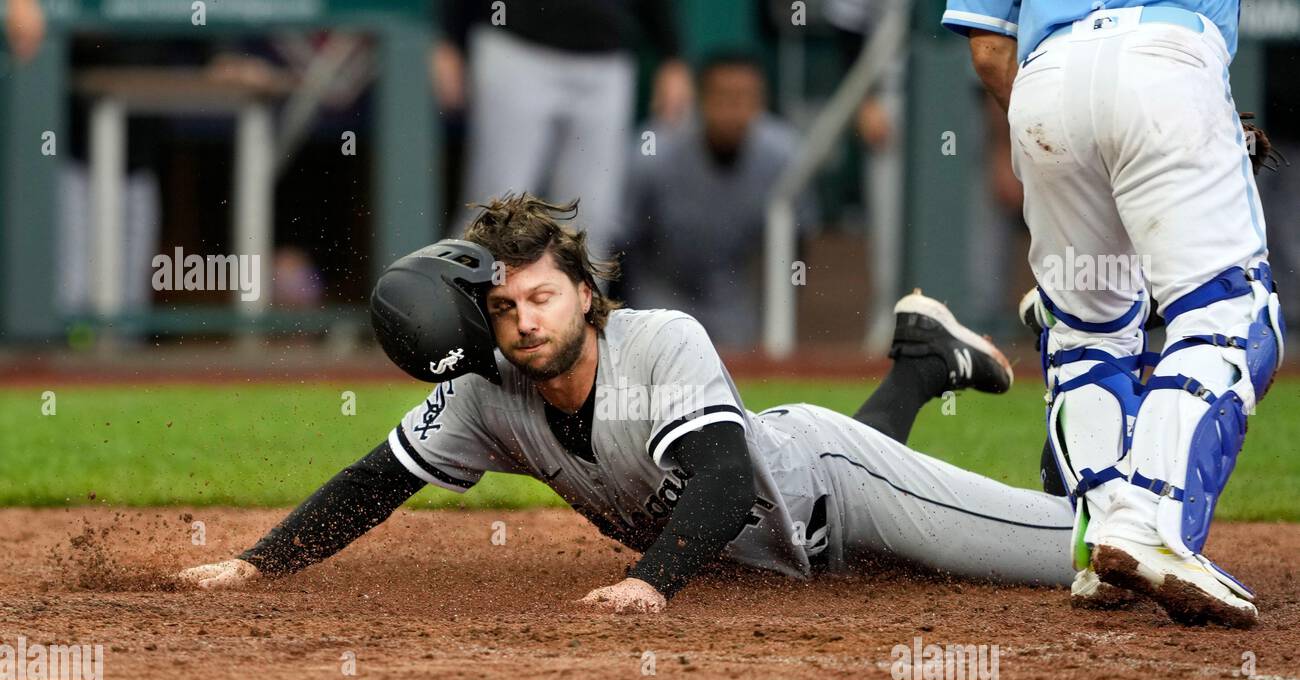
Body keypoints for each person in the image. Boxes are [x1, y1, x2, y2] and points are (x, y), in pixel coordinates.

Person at [177, 193, 1076, 612]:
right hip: (780, 531)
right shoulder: (487, 392)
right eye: (504, 308)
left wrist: (649, 583)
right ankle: (921, 364)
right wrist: (256, 566)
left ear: (583, 292)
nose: (526, 322)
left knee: (1076, 553)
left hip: (835, 484)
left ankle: (1076, 383)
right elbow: (374, 480)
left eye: (542, 296)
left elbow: (725, 486)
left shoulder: (660, 339)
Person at [943, 1, 1284, 627]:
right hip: (1168, 63)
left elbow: (990, 51)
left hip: (1045, 88)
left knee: (1085, 333)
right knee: (1231, 313)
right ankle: (1147, 529)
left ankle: (1102, 536)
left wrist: (1075, 149)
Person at [433, 0, 692, 257]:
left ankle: (578, 299)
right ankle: (468, 296)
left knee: (591, 218)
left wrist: (671, 55)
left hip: (606, 56)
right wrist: (449, 36)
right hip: (515, 44)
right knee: (496, 204)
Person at [620, 51, 815, 349]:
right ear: (700, 101)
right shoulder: (655, 151)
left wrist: (775, 315)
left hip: (729, 297)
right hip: (658, 290)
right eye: (722, 96)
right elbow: (621, 239)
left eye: (744, 98)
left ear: (761, 102)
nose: (733, 109)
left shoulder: (782, 155)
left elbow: (798, 239)